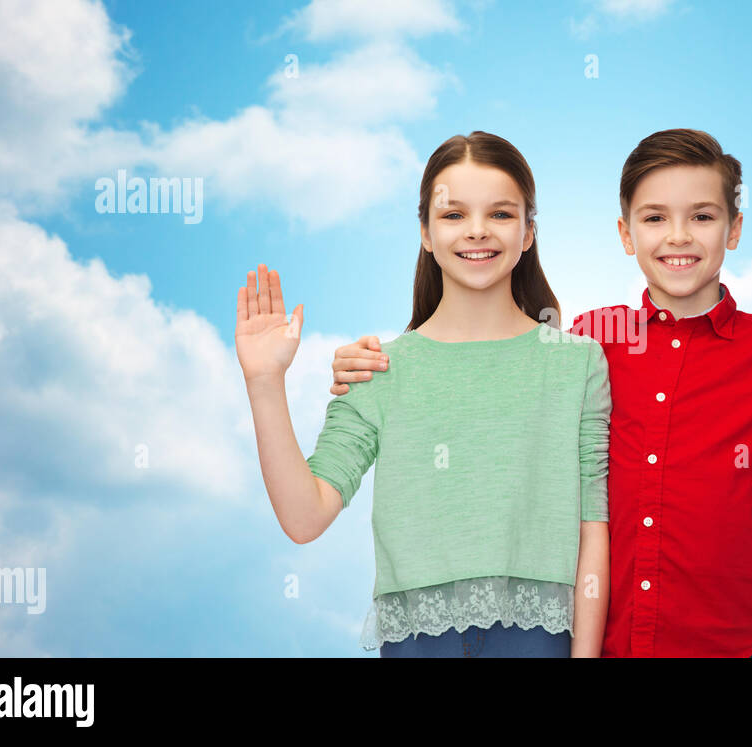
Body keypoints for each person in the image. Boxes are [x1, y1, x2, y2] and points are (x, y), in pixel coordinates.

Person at [328, 128, 752, 657]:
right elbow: (487, 395)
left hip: (742, 644)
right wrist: (377, 365)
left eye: (701, 216)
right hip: (615, 644)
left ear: (734, 229)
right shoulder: (591, 342)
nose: (678, 236)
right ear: (625, 234)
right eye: (654, 217)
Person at [236, 131, 611, 657]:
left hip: (540, 640)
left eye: (501, 214)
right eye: (453, 215)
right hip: (416, 643)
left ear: (529, 232)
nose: (477, 231)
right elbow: (304, 518)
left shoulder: (578, 365)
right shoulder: (380, 370)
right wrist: (264, 381)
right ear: (426, 233)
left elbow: (594, 529)